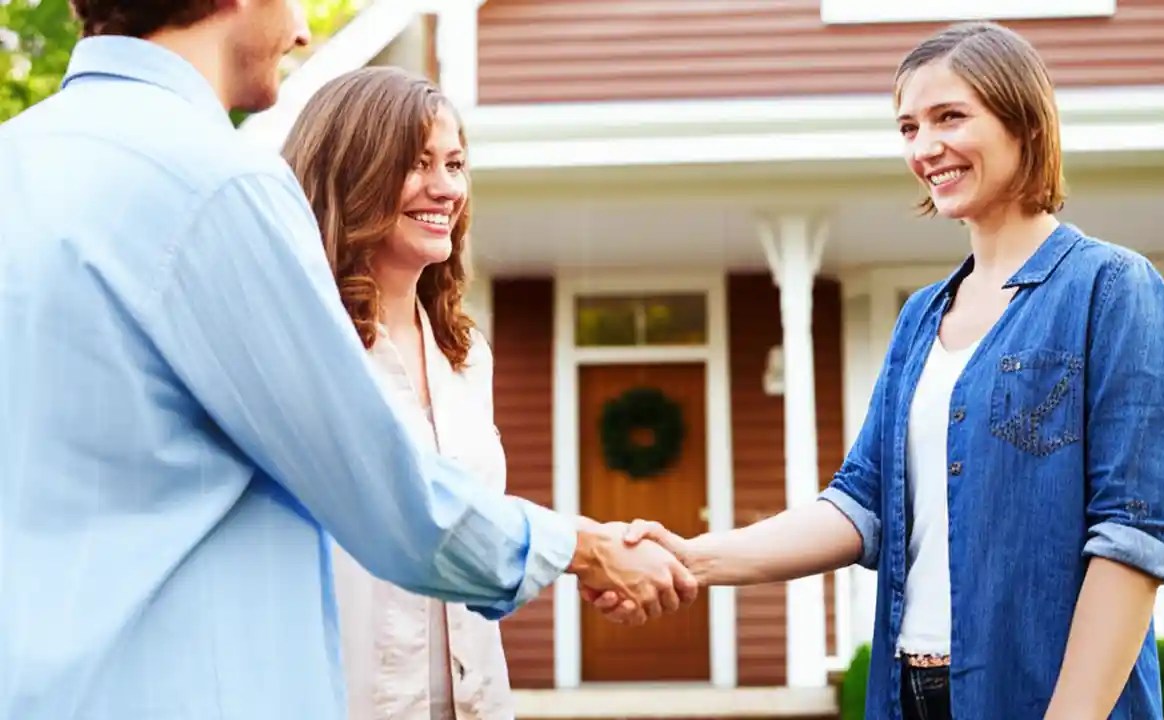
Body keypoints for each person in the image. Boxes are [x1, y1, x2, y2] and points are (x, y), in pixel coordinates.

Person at [0, 1, 694, 718]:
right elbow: (390, 496)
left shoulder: (15, 166)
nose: (302, 29)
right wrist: (581, 546)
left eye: (454, 165)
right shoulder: (219, 184)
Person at [592, 21, 1164, 720]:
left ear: (1023, 122)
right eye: (908, 127)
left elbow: (1130, 539)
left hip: (1038, 696)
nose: (925, 148)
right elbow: (859, 506)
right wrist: (686, 558)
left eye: (950, 117)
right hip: (911, 693)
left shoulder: (1113, 290)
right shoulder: (920, 320)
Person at [282, 67, 517, 719]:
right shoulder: (303, 346)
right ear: (352, 173)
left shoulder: (467, 359)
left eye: (455, 164)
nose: (445, 188)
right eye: (417, 165)